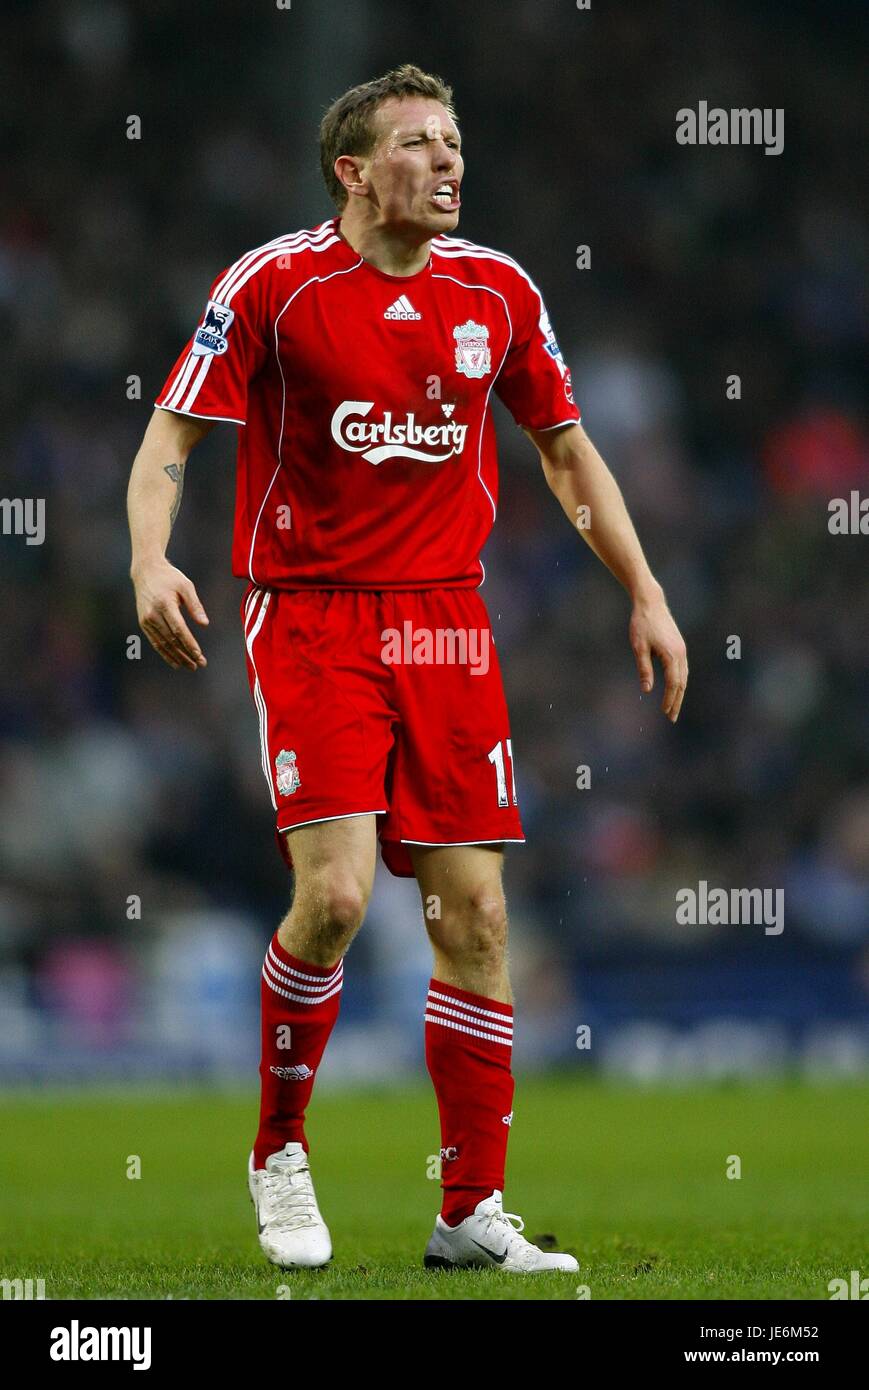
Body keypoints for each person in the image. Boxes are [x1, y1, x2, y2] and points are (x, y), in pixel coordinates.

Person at [127, 63, 688, 1275]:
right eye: (420, 143)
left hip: (445, 622)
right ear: (353, 168)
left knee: (476, 914)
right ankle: (278, 1150)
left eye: (455, 144)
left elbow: (566, 453)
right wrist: (147, 560)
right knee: (333, 899)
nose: (449, 164)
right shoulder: (273, 284)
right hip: (313, 615)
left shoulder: (497, 289)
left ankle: (468, 1210)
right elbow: (171, 432)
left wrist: (643, 591)